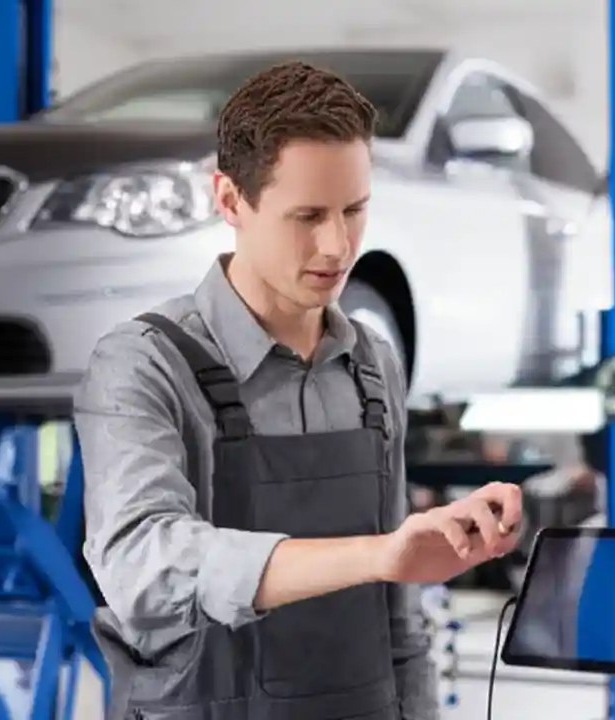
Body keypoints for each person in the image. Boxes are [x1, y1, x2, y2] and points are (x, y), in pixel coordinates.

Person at [75, 61, 523, 720]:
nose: (337, 245)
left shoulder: (374, 367)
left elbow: (399, 625)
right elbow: (143, 565)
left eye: (355, 210)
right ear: (230, 200)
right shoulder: (143, 365)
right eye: (307, 215)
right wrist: (376, 555)